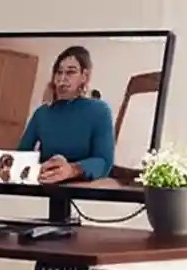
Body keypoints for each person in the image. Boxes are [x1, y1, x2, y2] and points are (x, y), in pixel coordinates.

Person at [17, 46, 115, 184]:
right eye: (59, 72)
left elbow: (104, 162)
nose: (62, 79)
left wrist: (72, 169)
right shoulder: (42, 113)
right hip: (46, 184)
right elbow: (22, 155)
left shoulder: (100, 111)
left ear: (84, 76)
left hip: (83, 189)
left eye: (70, 72)